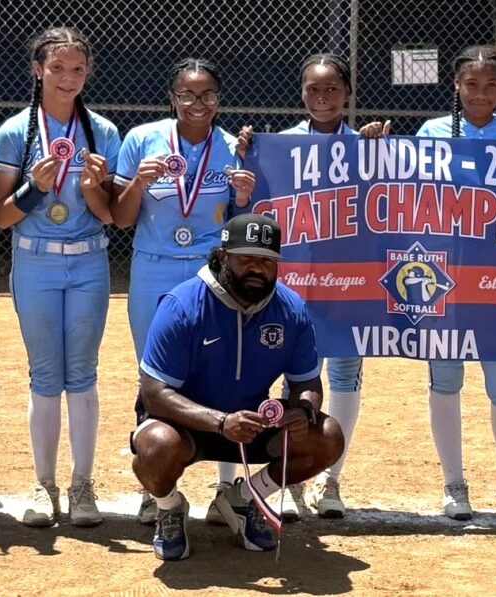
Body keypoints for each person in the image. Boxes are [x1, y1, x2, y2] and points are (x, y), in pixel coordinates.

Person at [131, 213, 344, 560]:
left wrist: (304, 409)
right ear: (222, 257)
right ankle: (169, 508)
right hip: (184, 426)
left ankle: (243, 500)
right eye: (247, 259)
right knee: (156, 446)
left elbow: (306, 380)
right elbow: (154, 394)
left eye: (267, 261)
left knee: (327, 435)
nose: (257, 269)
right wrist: (220, 422)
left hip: (251, 425)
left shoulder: (291, 309)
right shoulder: (182, 305)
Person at [235, 53, 385, 520]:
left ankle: (331, 478)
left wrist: (381, 150)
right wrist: (248, 152)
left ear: (348, 93)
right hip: (295, 282)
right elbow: (251, 205)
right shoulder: (280, 146)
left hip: (352, 281)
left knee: (344, 374)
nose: (323, 98)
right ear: (301, 92)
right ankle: (291, 476)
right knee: (295, 374)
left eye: (333, 89)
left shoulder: (366, 146)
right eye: (313, 89)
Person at [114, 58, 256, 525]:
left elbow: (242, 222)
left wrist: (242, 198)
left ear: (220, 98)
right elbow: (121, 218)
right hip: (153, 267)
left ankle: (228, 486)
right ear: (172, 98)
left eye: (208, 95)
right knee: (153, 374)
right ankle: (156, 489)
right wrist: (139, 183)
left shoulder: (234, 148)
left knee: (225, 370)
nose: (199, 104)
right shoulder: (142, 140)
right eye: (188, 95)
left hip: (210, 270)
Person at [0, 27, 121, 528]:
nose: (68, 77)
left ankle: (82, 485)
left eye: (78, 69)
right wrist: (33, 189)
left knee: (82, 374)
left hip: (88, 261)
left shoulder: (103, 132)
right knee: (45, 375)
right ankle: (43, 485)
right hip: (36, 261)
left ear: (88, 73)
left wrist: (92, 190)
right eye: (57, 68)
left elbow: (110, 216)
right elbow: (1, 217)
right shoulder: (14, 132)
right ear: (37, 70)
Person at [413, 46, 496, 520]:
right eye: (471, 84)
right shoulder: (431, 133)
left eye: (491, 85)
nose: (481, 93)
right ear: (456, 86)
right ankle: (454, 483)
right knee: (446, 378)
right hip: (444, 276)